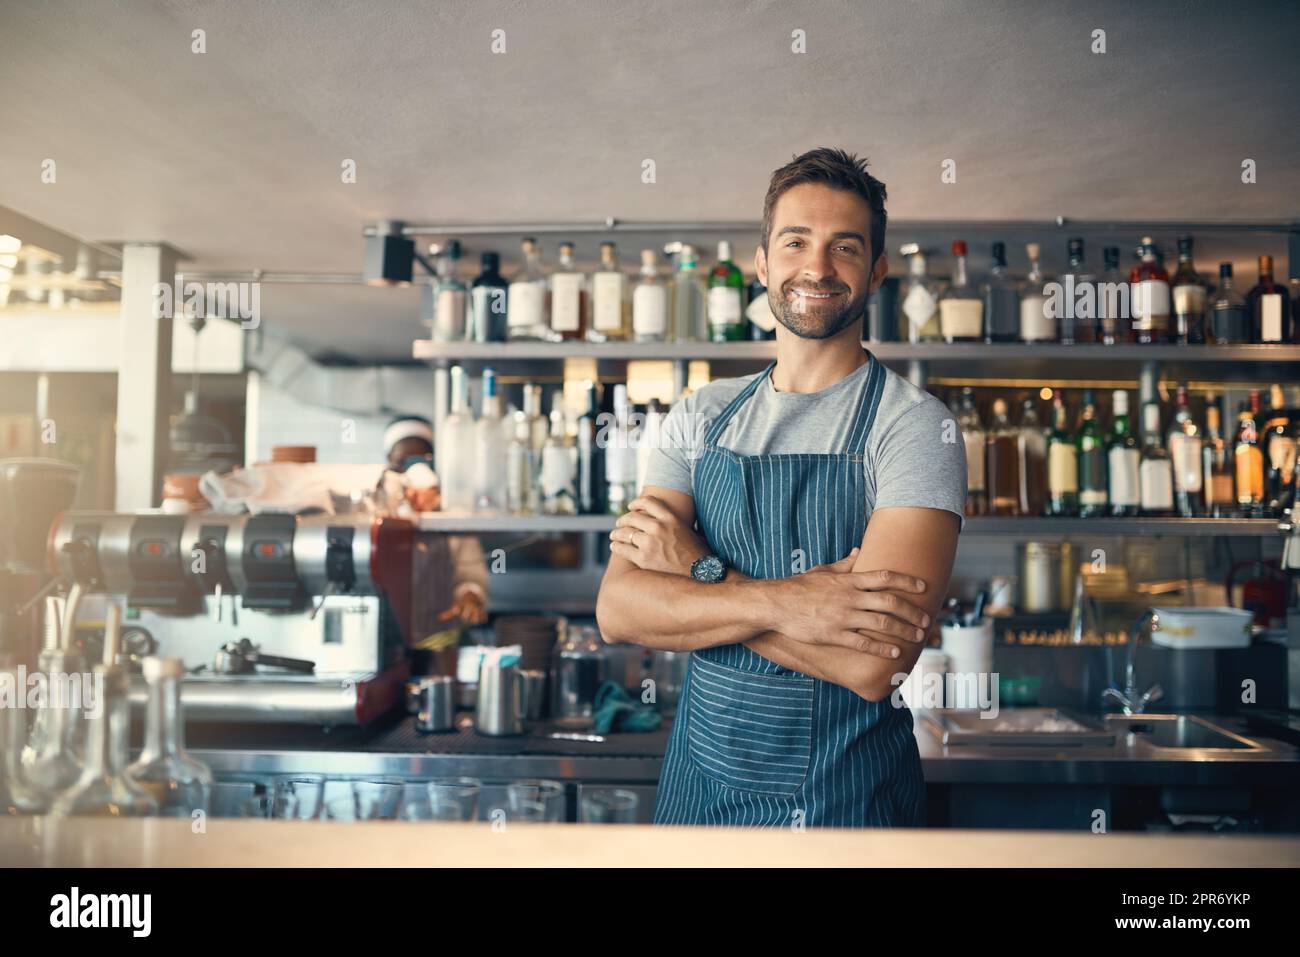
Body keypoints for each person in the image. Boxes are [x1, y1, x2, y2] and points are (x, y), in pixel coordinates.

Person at [595, 147, 966, 828]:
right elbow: (620, 608)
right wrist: (800, 605)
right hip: (698, 799)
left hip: (845, 805)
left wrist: (696, 571)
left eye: (844, 247)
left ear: (877, 270)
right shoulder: (699, 416)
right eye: (795, 241)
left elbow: (873, 667)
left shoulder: (915, 428)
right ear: (762, 262)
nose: (817, 267)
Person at [384, 415, 490, 627]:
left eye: (420, 462)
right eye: (401, 464)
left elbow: (472, 576)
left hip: (439, 632)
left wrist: (469, 595)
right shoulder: (378, 510)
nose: (411, 474)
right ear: (389, 464)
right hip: (386, 626)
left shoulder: (452, 517)